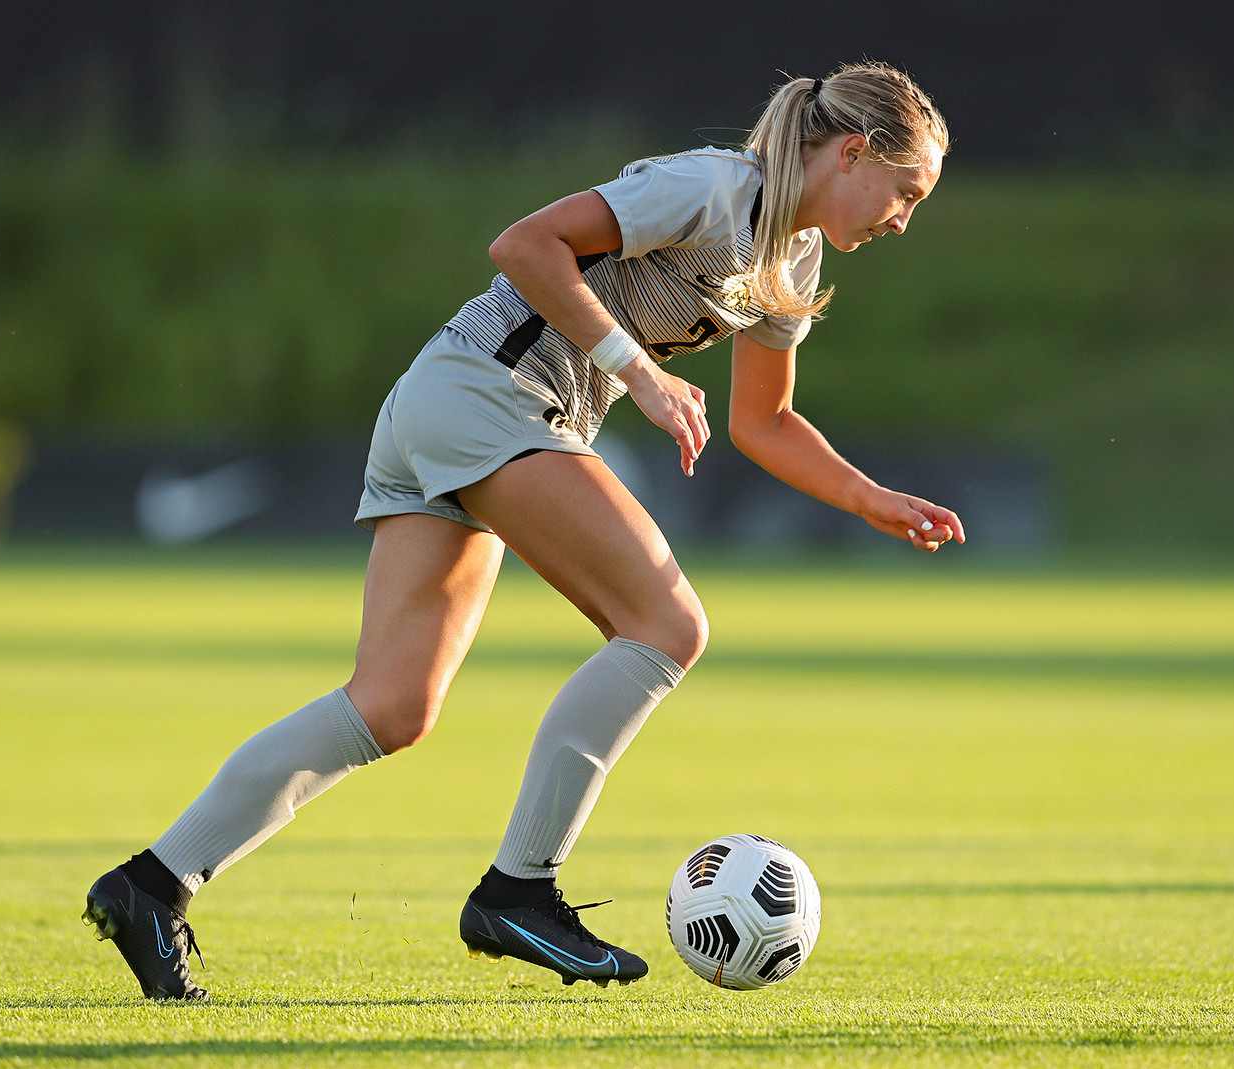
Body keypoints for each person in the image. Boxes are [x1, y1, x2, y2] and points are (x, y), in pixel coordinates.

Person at [82, 61, 965, 999]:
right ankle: (518, 890)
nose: (904, 218)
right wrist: (641, 372)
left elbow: (765, 422)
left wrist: (871, 497)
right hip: (484, 396)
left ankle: (151, 884)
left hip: (454, 406)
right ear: (853, 153)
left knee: (391, 705)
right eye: (906, 192)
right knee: (668, 628)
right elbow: (524, 245)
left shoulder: (792, 260)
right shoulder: (712, 188)